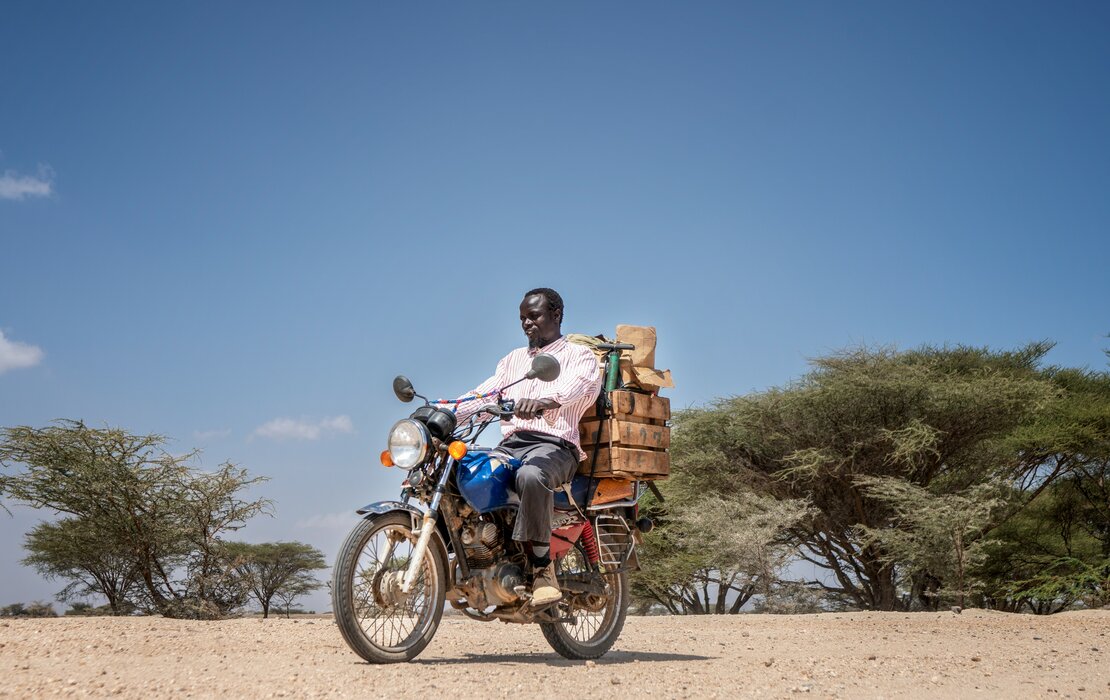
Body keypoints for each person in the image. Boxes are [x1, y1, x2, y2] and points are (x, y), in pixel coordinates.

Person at [452, 288, 602, 605]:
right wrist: (443, 412)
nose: (526, 323)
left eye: (533, 316)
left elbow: (578, 388)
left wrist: (545, 401)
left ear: (556, 315)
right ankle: (470, 556)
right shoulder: (512, 361)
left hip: (556, 445)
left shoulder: (580, 356)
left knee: (531, 477)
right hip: (511, 445)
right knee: (463, 468)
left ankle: (541, 570)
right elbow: (484, 395)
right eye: (522, 318)